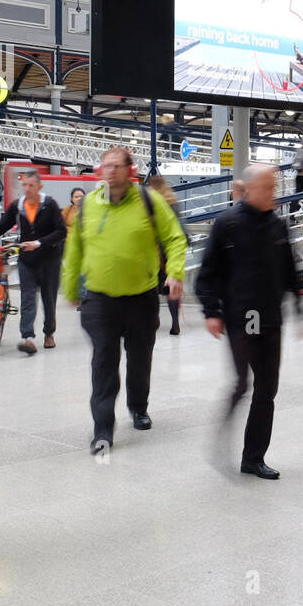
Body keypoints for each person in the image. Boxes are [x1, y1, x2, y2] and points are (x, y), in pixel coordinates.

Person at [61, 147, 187, 454]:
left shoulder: (149, 200)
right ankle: (103, 429)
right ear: (100, 170)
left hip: (141, 297)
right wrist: (70, 287)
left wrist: (175, 273)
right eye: (107, 166)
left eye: (117, 166)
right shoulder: (90, 204)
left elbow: (174, 238)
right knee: (104, 361)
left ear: (130, 170)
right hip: (100, 300)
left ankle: (138, 407)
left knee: (140, 357)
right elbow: (75, 246)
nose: (111, 171)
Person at [195, 164, 303, 480]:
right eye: (268, 187)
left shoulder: (278, 226)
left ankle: (253, 458)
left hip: (271, 321)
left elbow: (289, 271)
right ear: (251, 188)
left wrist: (299, 308)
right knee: (243, 384)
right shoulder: (227, 224)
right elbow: (206, 276)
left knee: (267, 389)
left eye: (275, 187)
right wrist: (211, 313)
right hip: (240, 319)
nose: (274, 193)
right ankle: (221, 437)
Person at [0, 169, 67, 354]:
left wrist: (38, 243)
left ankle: (49, 333)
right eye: (24, 185)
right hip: (27, 261)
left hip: (49, 259)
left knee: (49, 298)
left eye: (31, 185)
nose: (27, 188)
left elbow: (61, 231)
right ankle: (28, 338)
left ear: (40, 186)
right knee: (27, 298)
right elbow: (2, 225)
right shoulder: (18, 206)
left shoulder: (50, 205)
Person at [144, 175, 186, 336]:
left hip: (154, 251)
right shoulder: (173, 200)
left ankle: (153, 320)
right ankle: (175, 323)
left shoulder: (150, 202)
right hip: (170, 252)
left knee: (152, 287)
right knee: (171, 289)